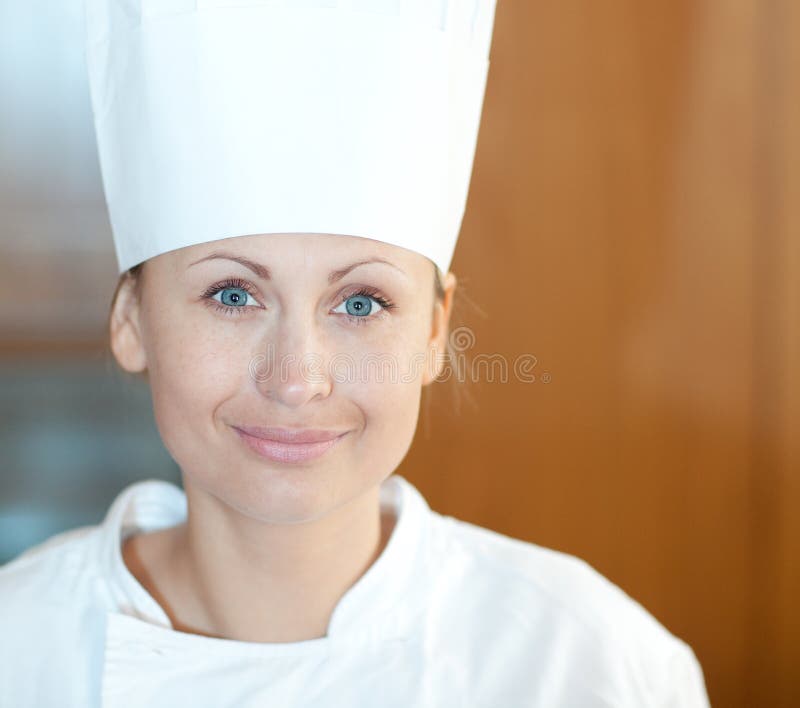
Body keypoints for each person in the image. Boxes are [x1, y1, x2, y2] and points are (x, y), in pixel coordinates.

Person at [0, 1, 712, 706]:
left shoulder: (593, 664)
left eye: (361, 303)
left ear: (435, 332)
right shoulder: (21, 646)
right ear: (131, 321)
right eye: (232, 295)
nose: (297, 380)